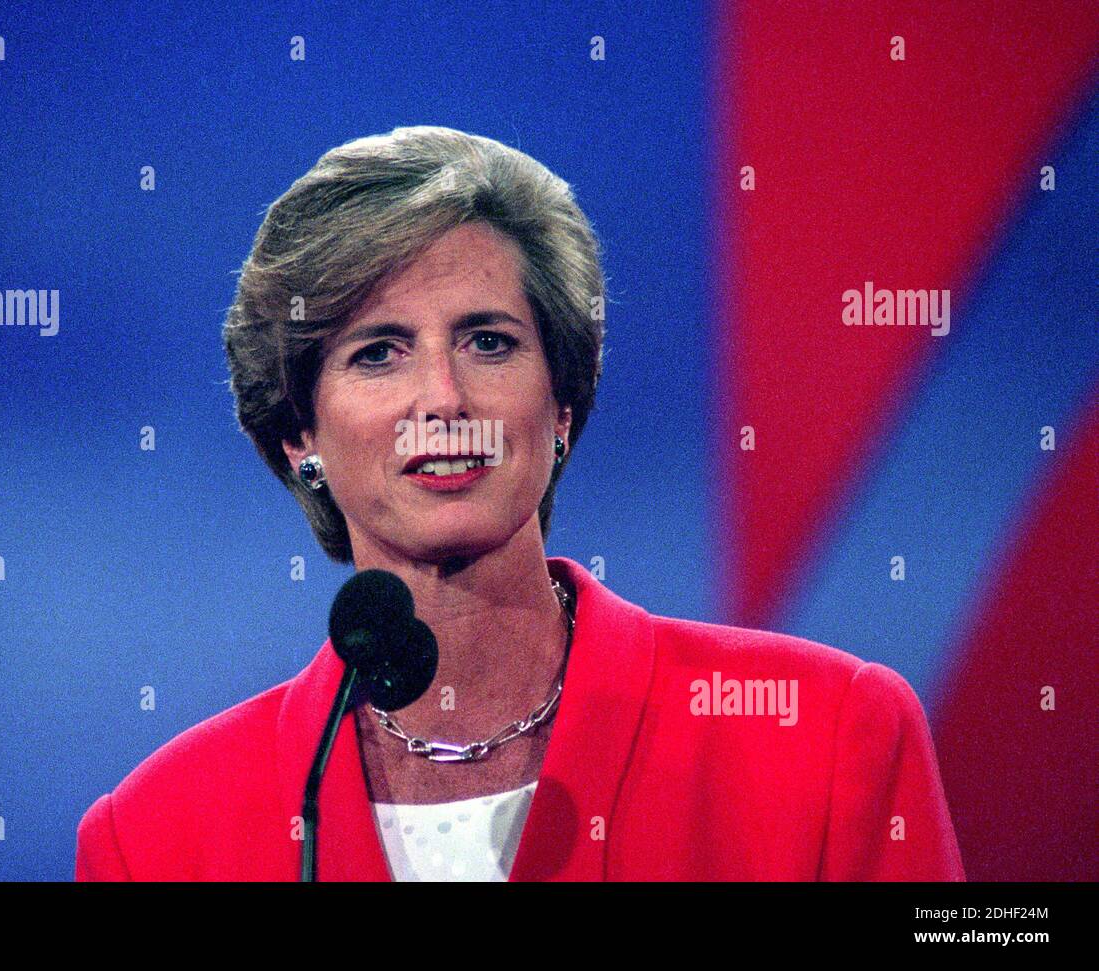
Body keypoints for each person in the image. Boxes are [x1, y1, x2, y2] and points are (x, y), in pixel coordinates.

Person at [75, 126, 964, 881]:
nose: (445, 399)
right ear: (298, 435)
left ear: (562, 405)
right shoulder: (158, 836)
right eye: (378, 353)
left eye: (489, 341)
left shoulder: (826, 739)